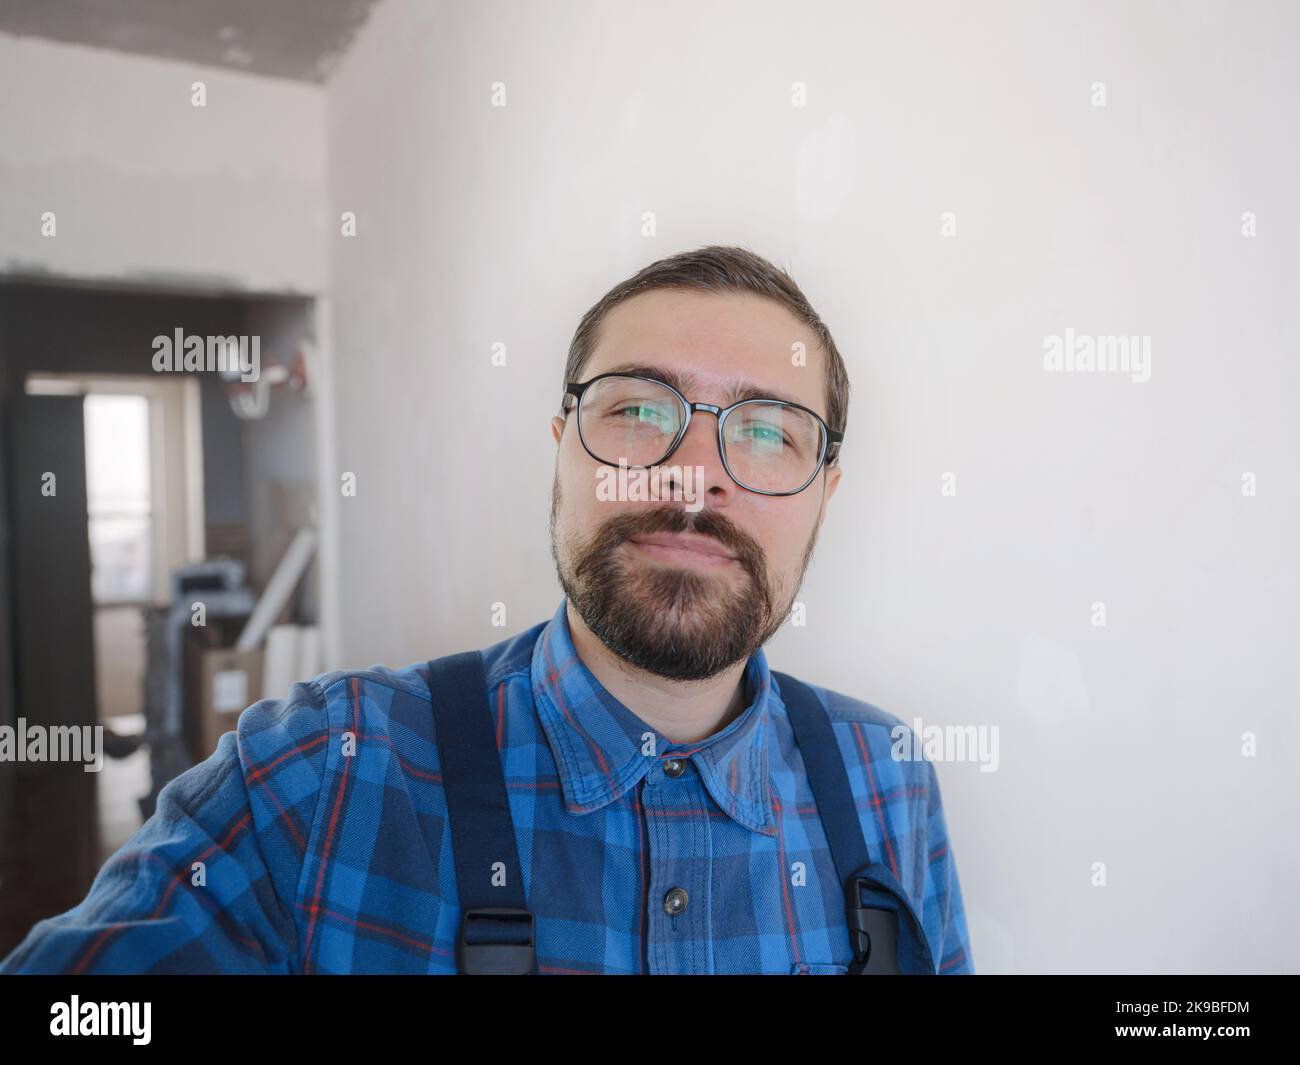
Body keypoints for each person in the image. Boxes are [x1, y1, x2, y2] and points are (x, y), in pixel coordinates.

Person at [0, 245, 973, 974]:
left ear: (824, 491)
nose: (691, 477)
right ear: (562, 447)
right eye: (637, 410)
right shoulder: (325, 774)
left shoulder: (884, 783)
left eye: (767, 430)